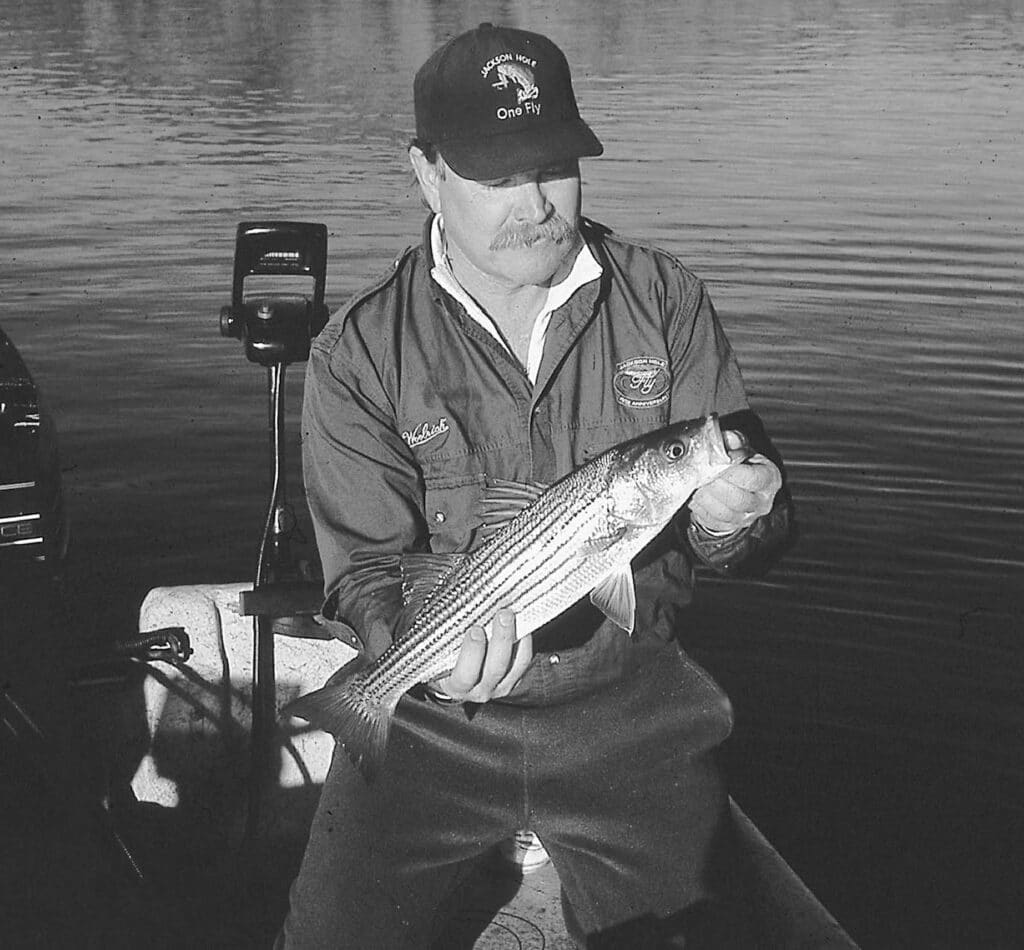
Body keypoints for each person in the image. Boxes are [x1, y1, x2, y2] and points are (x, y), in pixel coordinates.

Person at [279, 22, 791, 949]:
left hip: (637, 709)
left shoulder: (665, 299)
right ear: (427, 175)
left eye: (554, 166)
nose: (536, 204)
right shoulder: (357, 351)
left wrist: (730, 519)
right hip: (440, 719)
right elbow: (361, 572)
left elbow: (761, 524)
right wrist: (407, 650)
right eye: (496, 176)